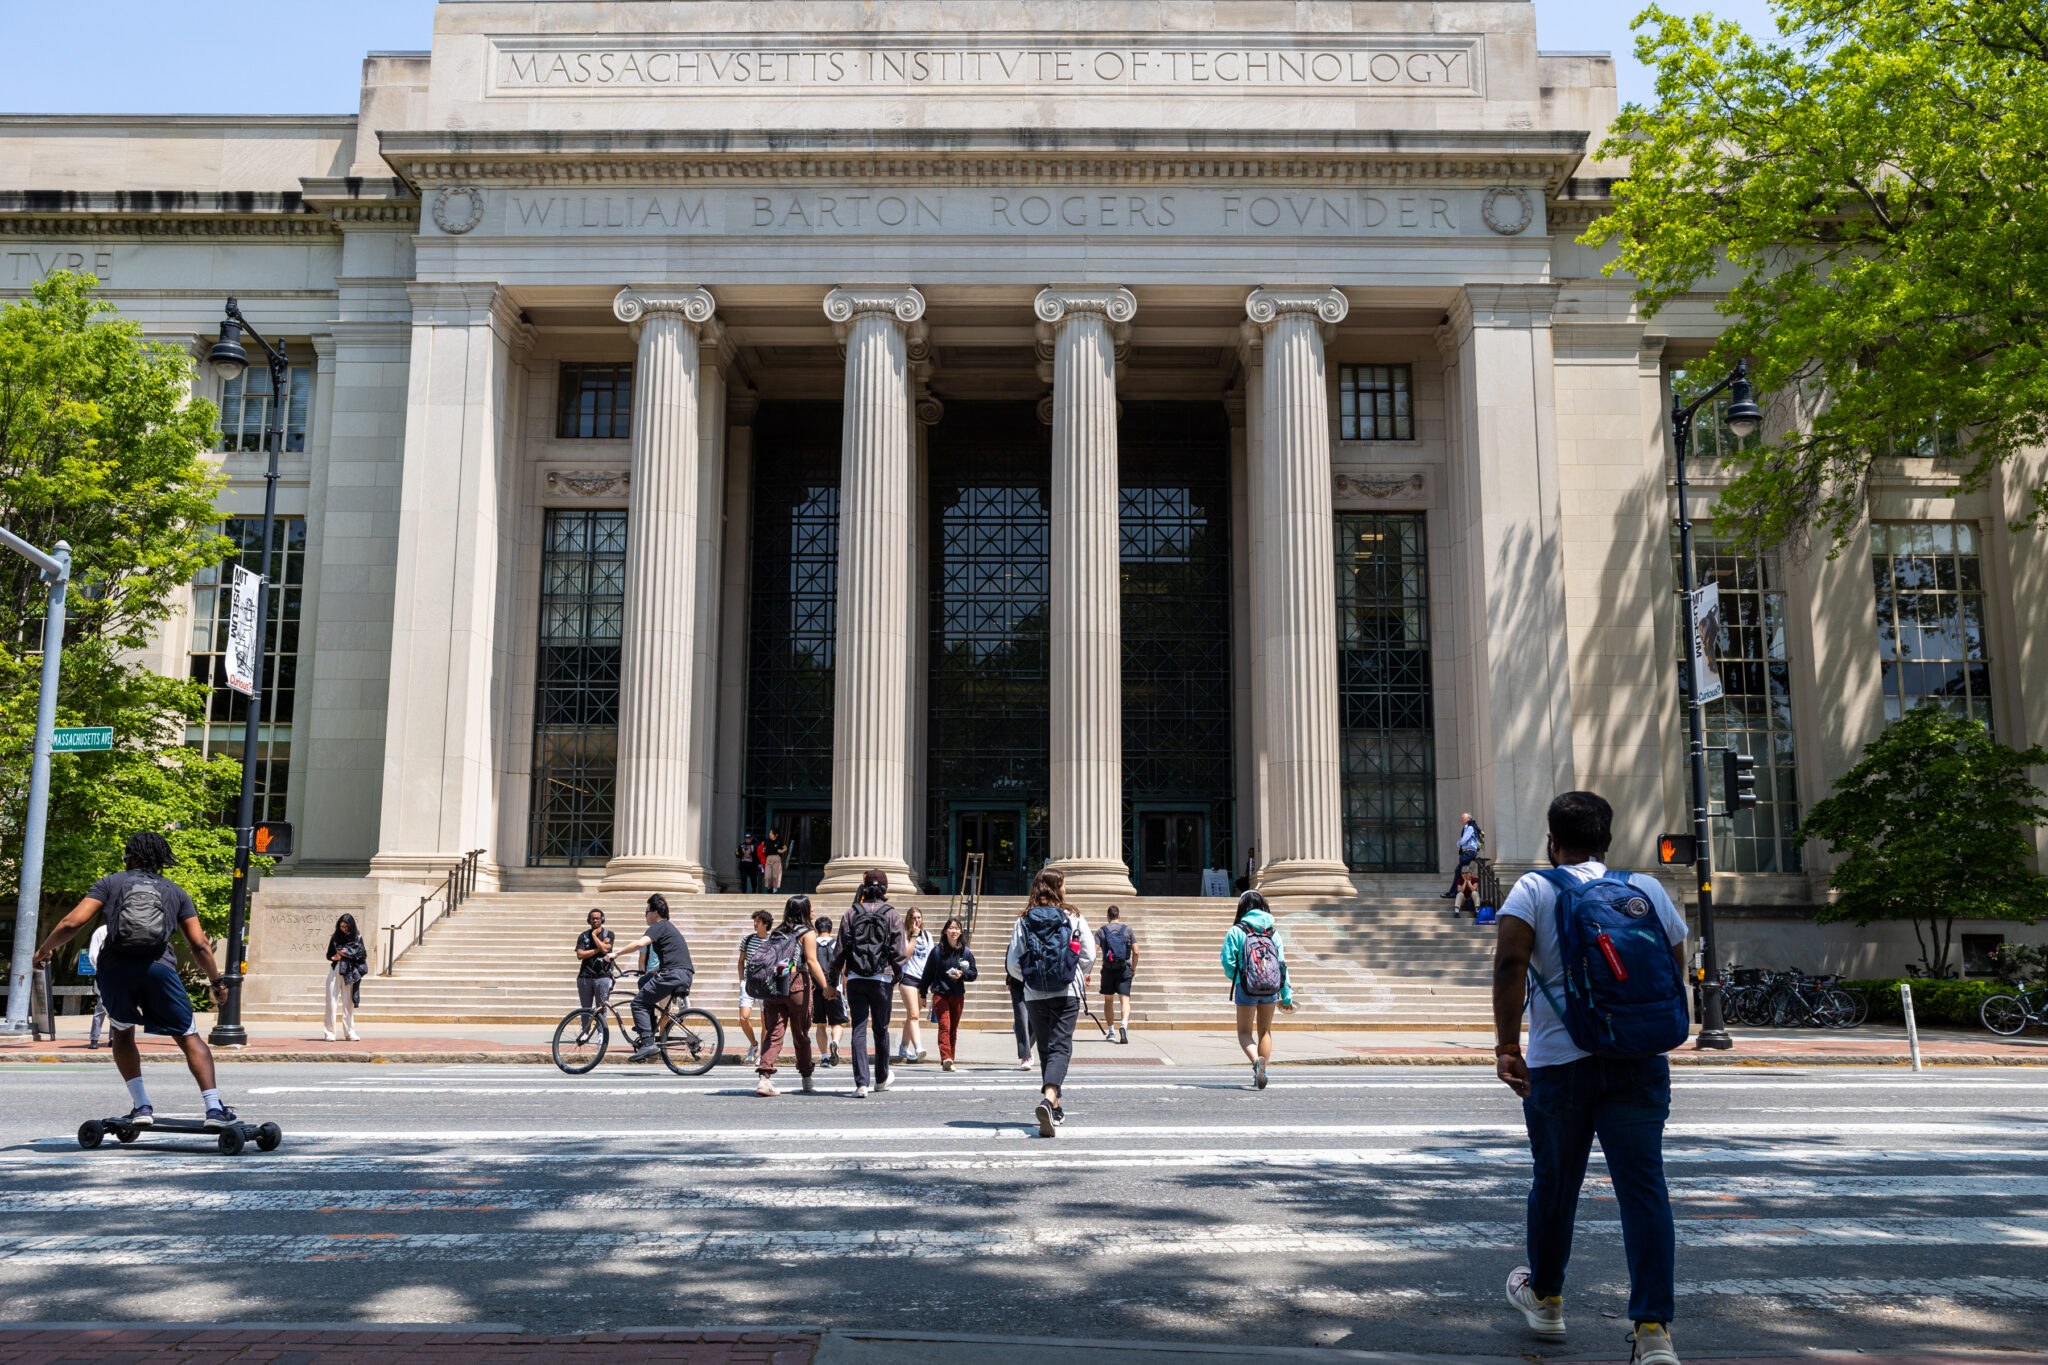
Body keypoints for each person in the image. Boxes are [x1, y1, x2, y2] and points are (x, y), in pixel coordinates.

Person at [1492, 790, 1687, 1365]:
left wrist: (1507, 1045)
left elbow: (1509, 964)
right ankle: (1653, 1329)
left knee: (1555, 1184)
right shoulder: (1645, 889)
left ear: (1552, 841)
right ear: (1608, 839)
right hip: (1638, 1061)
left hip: (1561, 1063)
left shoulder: (1534, 888)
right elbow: (1672, 966)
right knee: (1644, 1189)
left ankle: (1547, 1299)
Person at [32, 832, 236, 1129]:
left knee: (123, 1032)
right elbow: (200, 945)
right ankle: (214, 1109)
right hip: (158, 969)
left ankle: (141, 1107)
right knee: (188, 1036)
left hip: (115, 970)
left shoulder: (110, 883)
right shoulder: (176, 892)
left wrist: (45, 950)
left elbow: (72, 923)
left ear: (133, 856)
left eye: (127, 853)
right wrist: (217, 982)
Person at [1007, 869, 1093, 1138]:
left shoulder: (1023, 920)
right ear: (1058, 888)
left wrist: (1031, 979)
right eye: (1064, 885)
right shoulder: (1074, 916)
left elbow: (1012, 963)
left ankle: (1054, 1106)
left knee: (1046, 1049)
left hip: (1034, 995)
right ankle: (1049, 1098)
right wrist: (1073, 972)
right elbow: (1088, 954)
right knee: (1060, 1048)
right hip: (1066, 992)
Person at [824, 869, 908, 1097]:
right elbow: (900, 954)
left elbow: (839, 952)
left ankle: (861, 1083)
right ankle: (881, 1078)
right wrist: (896, 976)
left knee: (858, 1030)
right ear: (885, 889)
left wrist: (832, 981)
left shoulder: (851, 913)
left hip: (855, 979)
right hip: (882, 978)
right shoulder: (892, 914)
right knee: (881, 1029)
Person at [754, 894, 837, 1096]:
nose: (813, 911)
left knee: (774, 1034)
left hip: (773, 987)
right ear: (804, 911)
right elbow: (812, 961)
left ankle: (764, 1078)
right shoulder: (808, 933)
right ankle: (807, 1079)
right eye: (810, 908)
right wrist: (826, 986)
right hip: (797, 984)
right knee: (801, 1034)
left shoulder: (777, 931)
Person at [607, 894, 696, 1062]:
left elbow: (640, 944)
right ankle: (649, 1024)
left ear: (655, 912)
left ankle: (648, 1043)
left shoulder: (659, 925)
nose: (645, 915)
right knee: (643, 982)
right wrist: (652, 971)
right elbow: (673, 957)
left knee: (637, 1003)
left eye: (646, 911)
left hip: (673, 975)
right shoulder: (668, 927)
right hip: (679, 973)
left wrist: (616, 953)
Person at [1222, 890, 1296, 1089]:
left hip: (1246, 987)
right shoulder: (1273, 932)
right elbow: (1281, 965)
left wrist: (1239, 977)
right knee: (1265, 1031)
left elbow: (1227, 961)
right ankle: (1263, 1072)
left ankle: (1256, 1062)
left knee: (1244, 1032)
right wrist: (1287, 996)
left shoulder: (1237, 931)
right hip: (1271, 988)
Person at [918, 916, 978, 1071]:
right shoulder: (937, 952)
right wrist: (922, 993)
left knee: (953, 1029)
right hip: (940, 994)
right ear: (945, 931)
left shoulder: (965, 952)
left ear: (960, 932)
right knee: (944, 1026)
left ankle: (950, 1059)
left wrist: (962, 975)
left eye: (957, 928)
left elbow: (973, 973)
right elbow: (927, 974)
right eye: (951, 928)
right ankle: (946, 1057)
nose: (954, 931)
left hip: (958, 995)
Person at [1095, 904, 1138, 1044]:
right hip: (1124, 968)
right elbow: (1136, 952)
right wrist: (1133, 969)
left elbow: (1093, 952)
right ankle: (1124, 1026)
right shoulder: (1128, 930)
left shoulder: (1101, 931)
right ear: (1119, 916)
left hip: (1108, 969)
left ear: (1107, 917)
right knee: (1125, 1000)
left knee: (1109, 1000)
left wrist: (1087, 972)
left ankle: (1111, 1031)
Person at [736, 907, 774, 1065]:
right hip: (748, 982)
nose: (755, 924)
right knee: (743, 1018)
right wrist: (741, 979)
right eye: (754, 921)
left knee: (765, 1020)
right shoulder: (748, 939)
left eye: (758, 921)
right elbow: (741, 961)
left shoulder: (773, 941)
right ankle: (753, 1044)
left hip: (765, 984)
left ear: (766, 924)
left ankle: (763, 1052)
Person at [896, 906, 934, 1064]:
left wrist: (927, 985)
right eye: (914, 918)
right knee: (914, 1015)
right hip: (908, 978)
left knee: (912, 1016)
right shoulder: (904, 935)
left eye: (919, 917)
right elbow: (905, 955)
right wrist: (913, 936)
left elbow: (931, 959)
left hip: (922, 980)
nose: (917, 921)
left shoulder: (927, 936)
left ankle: (903, 1047)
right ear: (909, 920)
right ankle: (918, 1047)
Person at [324, 913, 368, 1042]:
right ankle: (330, 1033)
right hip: (336, 969)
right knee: (331, 1002)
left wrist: (348, 954)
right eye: (342, 926)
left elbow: (362, 955)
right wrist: (334, 957)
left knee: (348, 1003)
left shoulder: (357, 937)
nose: (344, 929)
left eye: (346, 927)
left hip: (349, 971)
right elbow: (328, 954)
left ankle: (349, 1032)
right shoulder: (335, 937)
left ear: (351, 926)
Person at [811, 914, 847, 1066]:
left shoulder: (812, 944)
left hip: (817, 989)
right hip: (834, 988)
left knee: (820, 1024)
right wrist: (844, 989)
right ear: (831, 929)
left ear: (816, 929)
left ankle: (824, 1056)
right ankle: (835, 1042)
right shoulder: (836, 944)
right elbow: (844, 968)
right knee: (836, 1024)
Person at [575, 907, 616, 1020]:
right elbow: (580, 955)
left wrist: (594, 936)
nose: (595, 921)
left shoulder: (609, 934)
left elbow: (605, 949)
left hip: (602, 976)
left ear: (602, 919)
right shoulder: (583, 936)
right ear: (589, 920)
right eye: (593, 919)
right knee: (585, 1009)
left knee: (601, 1008)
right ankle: (585, 1032)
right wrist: (598, 948)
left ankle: (601, 1033)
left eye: (598, 918)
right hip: (585, 977)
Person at [1443, 812, 1482, 900]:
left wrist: (1460, 842)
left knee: (1459, 871)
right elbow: (1464, 842)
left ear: (1468, 819)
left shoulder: (1470, 827)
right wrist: (1462, 842)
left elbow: (1463, 841)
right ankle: (1458, 892)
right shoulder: (1467, 827)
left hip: (1469, 852)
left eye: (1463, 818)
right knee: (1461, 872)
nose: (1461, 819)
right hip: (1466, 852)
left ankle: (1454, 893)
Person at [81, 923, 108, 1049]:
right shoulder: (102, 930)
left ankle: (113, 1039)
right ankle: (95, 1038)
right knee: (101, 1007)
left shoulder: (127, 928)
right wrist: (101, 969)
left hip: (119, 973)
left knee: (118, 1009)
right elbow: (93, 954)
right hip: (106, 972)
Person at [762, 827, 789, 894]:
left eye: (771, 833)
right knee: (767, 875)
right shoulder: (767, 840)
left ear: (776, 835)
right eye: (770, 833)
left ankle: (775, 887)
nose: (770, 834)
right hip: (768, 858)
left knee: (775, 874)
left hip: (776, 858)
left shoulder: (779, 841)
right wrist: (763, 849)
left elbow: (785, 848)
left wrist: (781, 851)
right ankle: (769, 887)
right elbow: (762, 847)